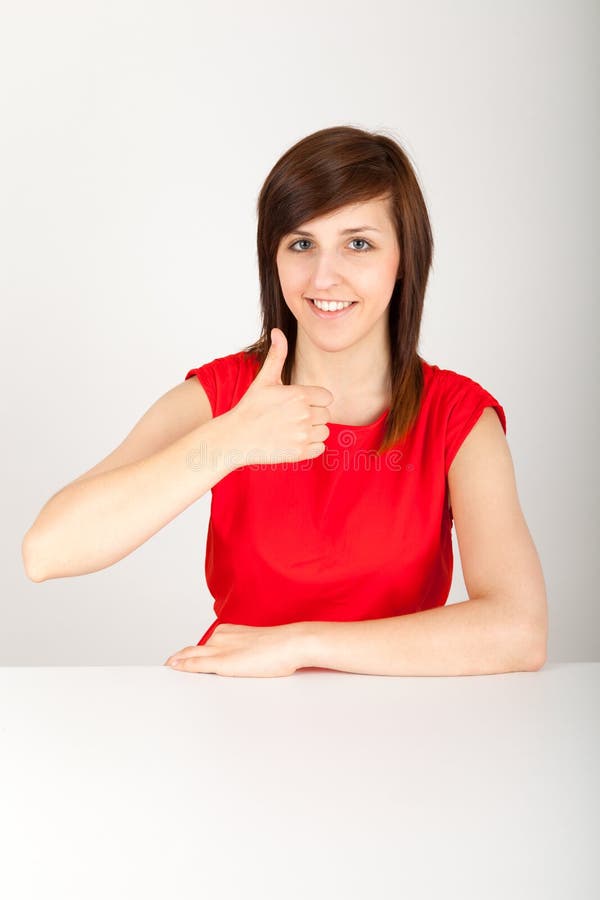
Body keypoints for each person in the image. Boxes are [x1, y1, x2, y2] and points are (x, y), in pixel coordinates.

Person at [21, 125, 548, 678]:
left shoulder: (458, 418)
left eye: (358, 243)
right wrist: (226, 443)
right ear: (273, 258)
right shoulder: (224, 397)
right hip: (239, 720)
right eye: (301, 244)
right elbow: (48, 551)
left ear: (405, 259)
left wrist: (301, 646)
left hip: (402, 727)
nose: (325, 275)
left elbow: (519, 630)